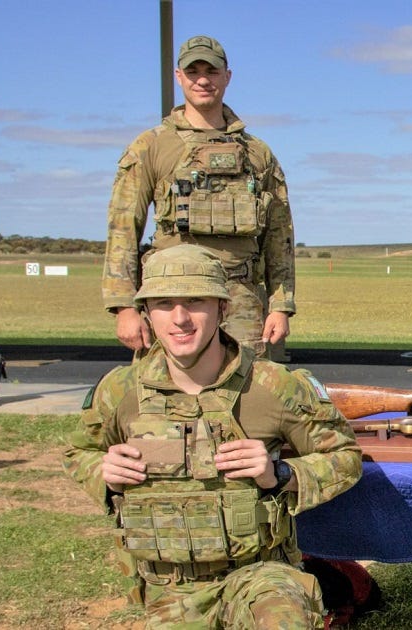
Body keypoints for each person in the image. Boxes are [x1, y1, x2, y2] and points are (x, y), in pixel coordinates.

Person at [65, 244, 363, 628]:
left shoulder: (272, 385)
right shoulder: (120, 390)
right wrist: (102, 472)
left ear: (223, 308)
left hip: (260, 576)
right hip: (170, 589)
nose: (180, 319)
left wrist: (280, 474)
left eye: (195, 301)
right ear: (147, 314)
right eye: (163, 303)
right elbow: (79, 451)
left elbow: (344, 456)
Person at [102, 34, 296, 361]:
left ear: (227, 77)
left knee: (249, 397)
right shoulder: (151, 147)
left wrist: (280, 306)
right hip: (173, 301)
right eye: (193, 72)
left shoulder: (258, 153)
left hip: (242, 301)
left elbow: (279, 236)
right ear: (179, 77)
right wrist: (124, 307)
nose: (203, 80)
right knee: (165, 396)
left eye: (212, 71)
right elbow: (123, 228)